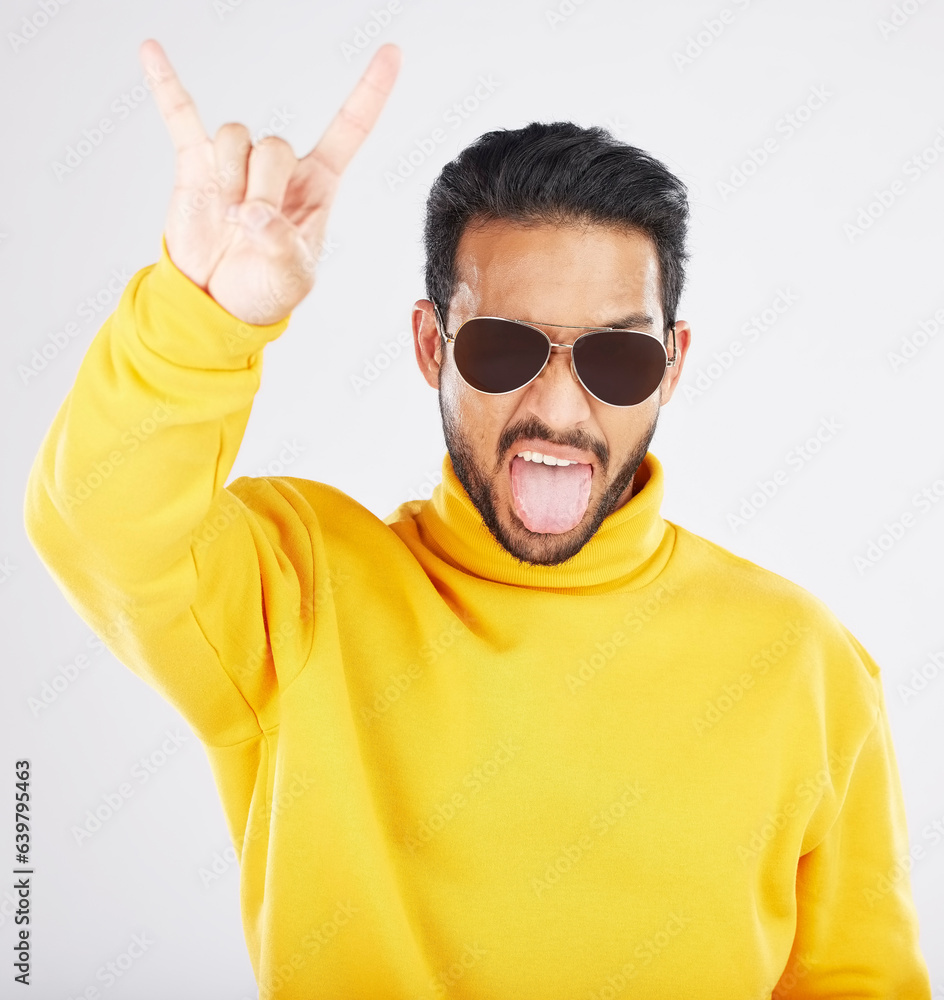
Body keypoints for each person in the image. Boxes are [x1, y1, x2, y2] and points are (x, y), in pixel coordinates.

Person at [24, 36, 932, 1000]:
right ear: (433, 344)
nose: (561, 408)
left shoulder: (805, 662)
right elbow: (97, 525)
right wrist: (205, 314)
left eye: (616, 359)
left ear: (672, 365)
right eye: (505, 348)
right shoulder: (301, 594)